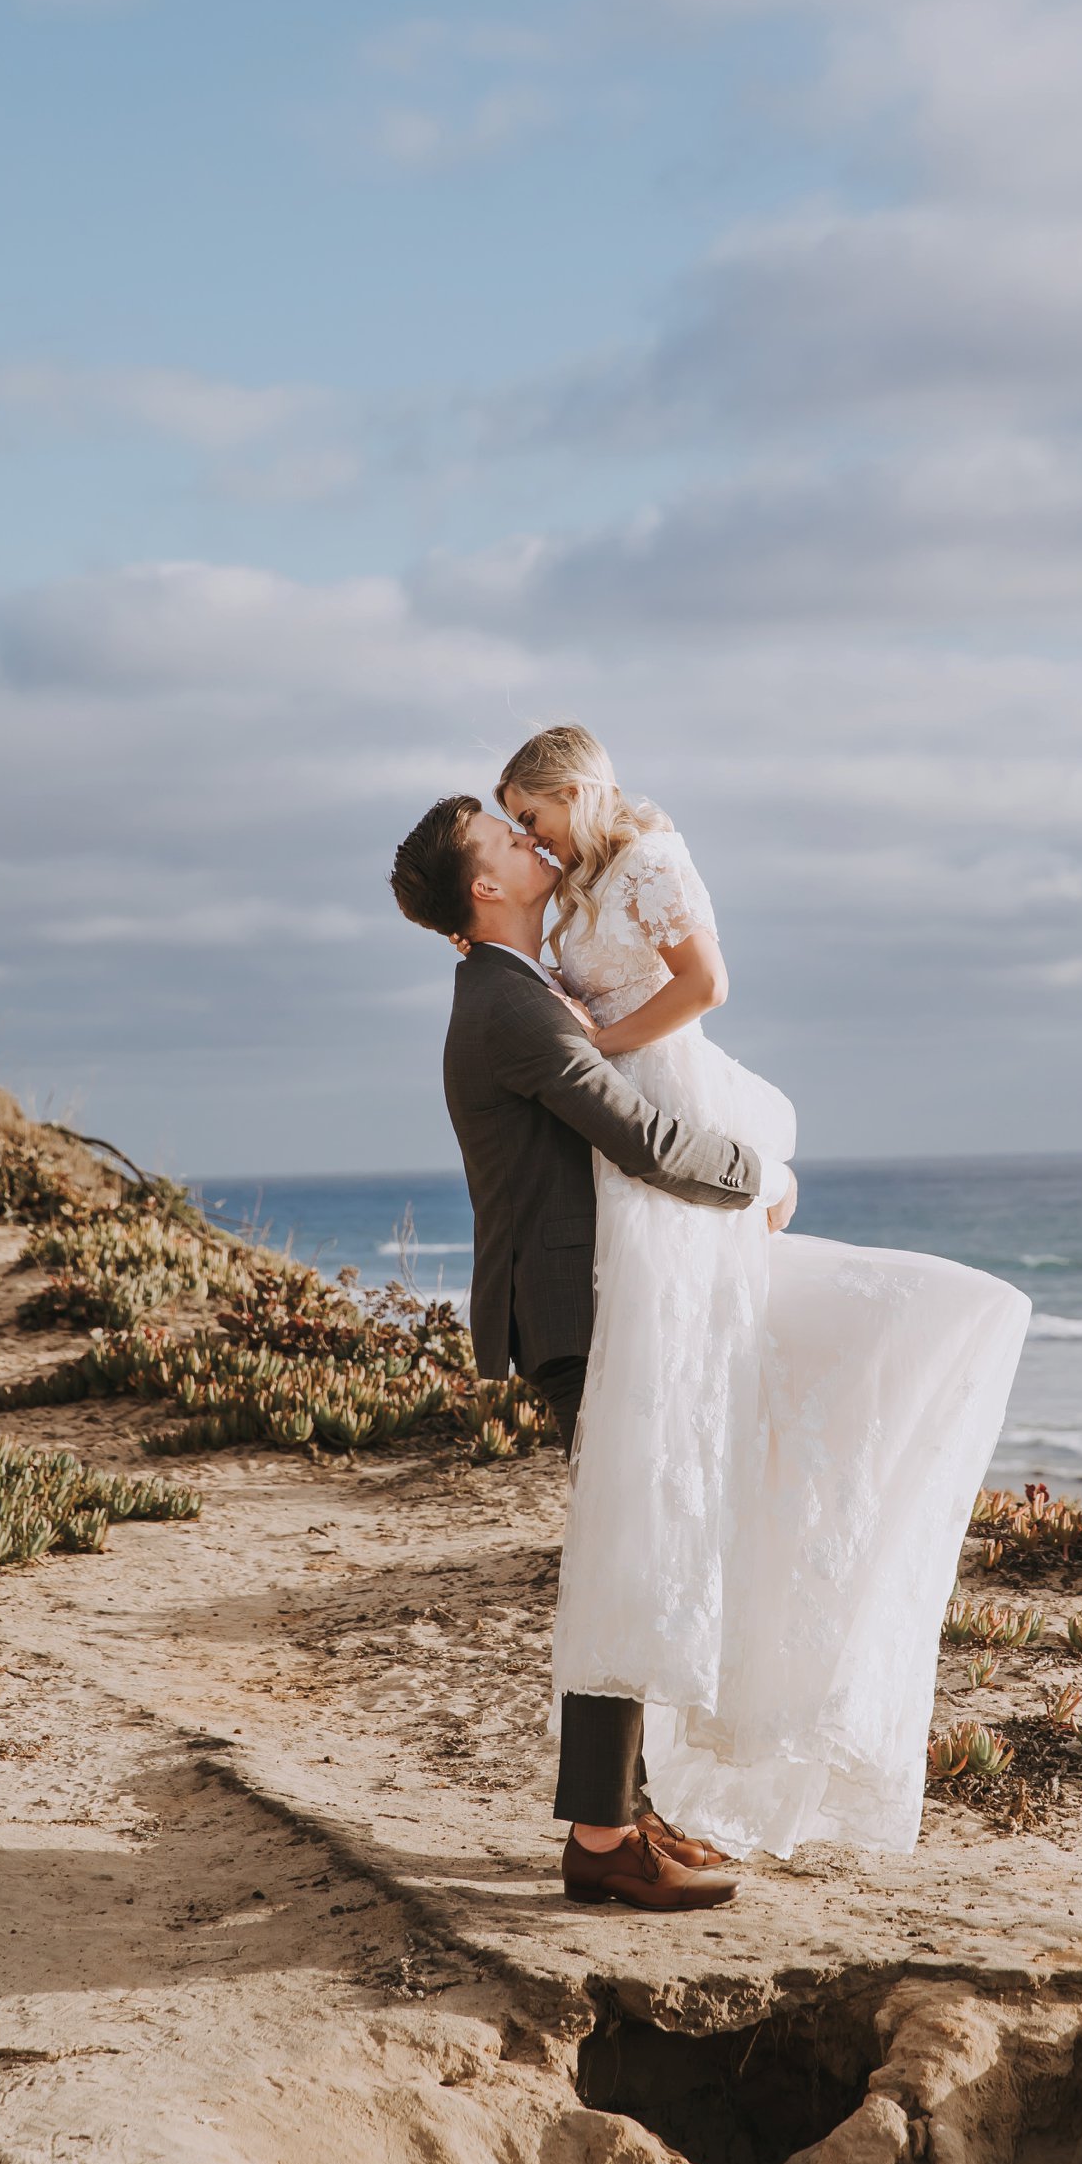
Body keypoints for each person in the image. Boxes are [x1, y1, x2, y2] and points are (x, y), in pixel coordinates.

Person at [494, 727, 1031, 1861]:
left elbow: (706, 984)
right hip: (625, 1123)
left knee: (693, 1370)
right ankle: (627, 1805)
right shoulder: (578, 883)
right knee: (661, 1404)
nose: (527, 838)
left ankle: (628, 1806)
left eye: (531, 816)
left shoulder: (646, 855)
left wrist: (598, 1042)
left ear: (576, 794)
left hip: (661, 1095)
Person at [388, 790, 793, 1914]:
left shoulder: (517, 989)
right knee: (628, 1560)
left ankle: (624, 1809)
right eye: (506, 839)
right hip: (574, 1314)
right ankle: (602, 1839)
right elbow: (642, 1138)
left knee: (639, 1551)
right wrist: (763, 1178)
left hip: (578, 1305)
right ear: (483, 887)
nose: (531, 845)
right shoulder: (510, 1007)